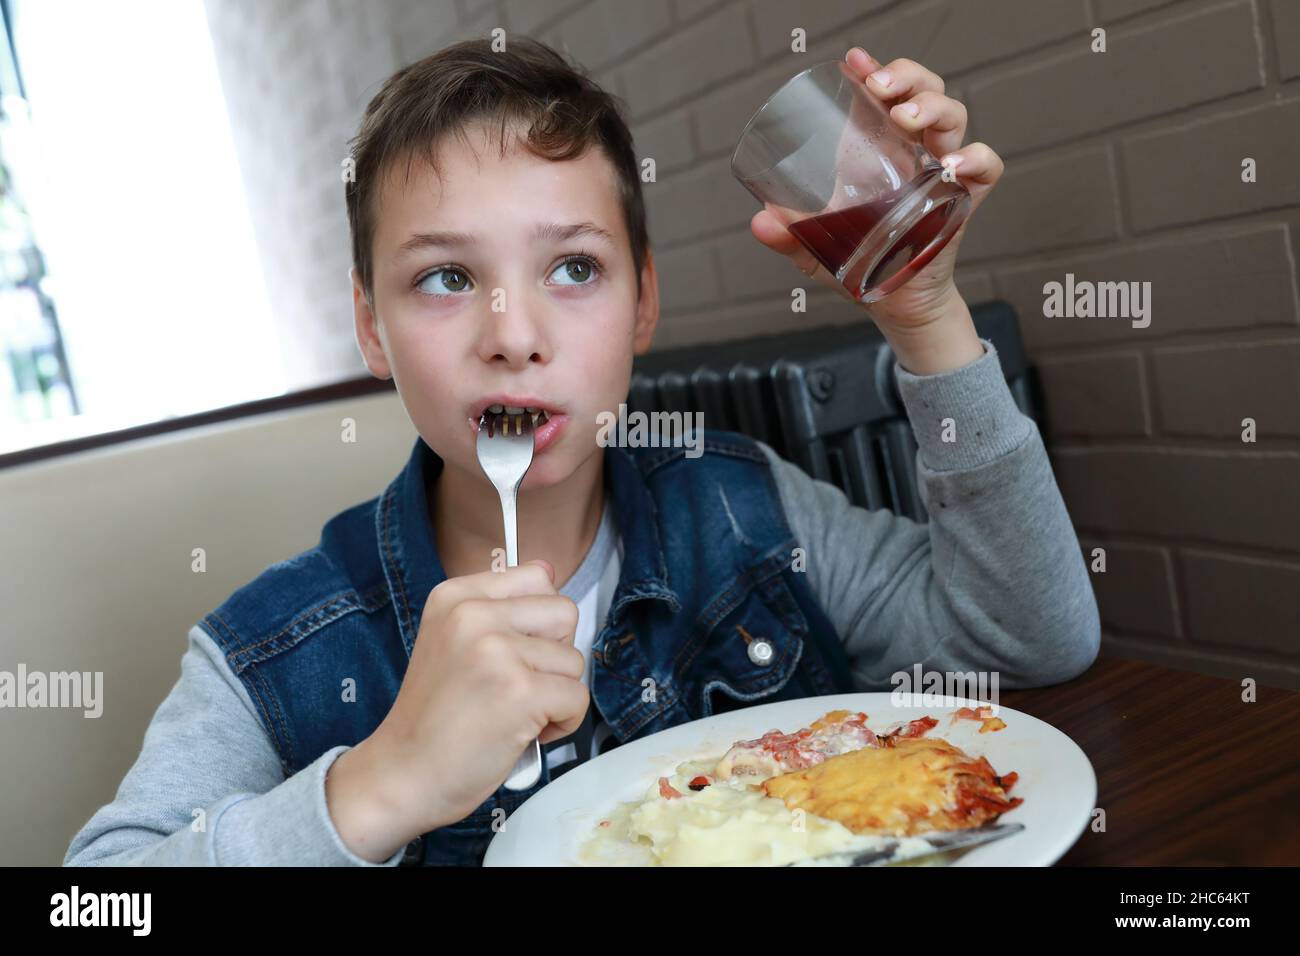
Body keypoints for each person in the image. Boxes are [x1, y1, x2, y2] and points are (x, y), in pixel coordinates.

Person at [64, 38, 1098, 867]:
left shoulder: (744, 508)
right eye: (443, 279)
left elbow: (1029, 638)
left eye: (571, 266)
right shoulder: (273, 652)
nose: (513, 334)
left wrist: (924, 315)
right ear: (370, 326)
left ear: (642, 300)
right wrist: (383, 781)